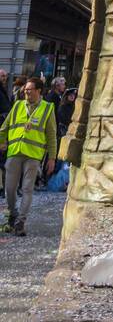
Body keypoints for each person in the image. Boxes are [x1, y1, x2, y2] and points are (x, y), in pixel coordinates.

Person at [0, 75, 57, 235]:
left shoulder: (47, 108)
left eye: (29, 90)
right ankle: (12, 214)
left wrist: (52, 158)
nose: (26, 93)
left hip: (33, 156)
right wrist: (1, 142)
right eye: (25, 90)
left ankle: (20, 222)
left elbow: (51, 136)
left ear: (39, 91)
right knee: (10, 189)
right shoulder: (18, 105)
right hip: (15, 152)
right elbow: (4, 128)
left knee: (27, 189)